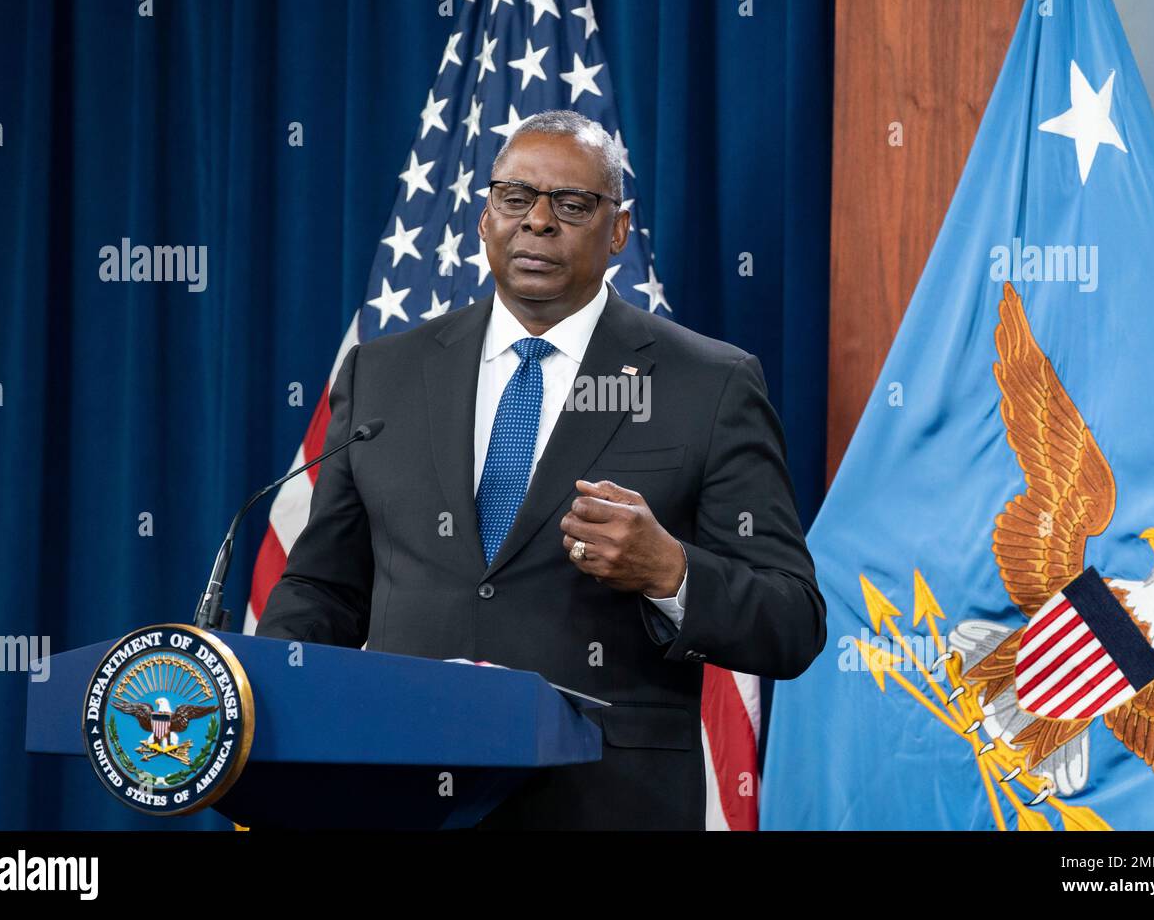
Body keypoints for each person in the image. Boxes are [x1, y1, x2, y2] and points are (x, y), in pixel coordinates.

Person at [256, 109, 826, 829]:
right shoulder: (383, 375)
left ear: (617, 230)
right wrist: (267, 701)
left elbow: (792, 620)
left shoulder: (708, 384)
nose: (538, 223)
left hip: (606, 801)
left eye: (572, 204)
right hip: (401, 796)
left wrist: (670, 572)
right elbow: (323, 587)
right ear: (485, 218)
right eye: (515, 198)